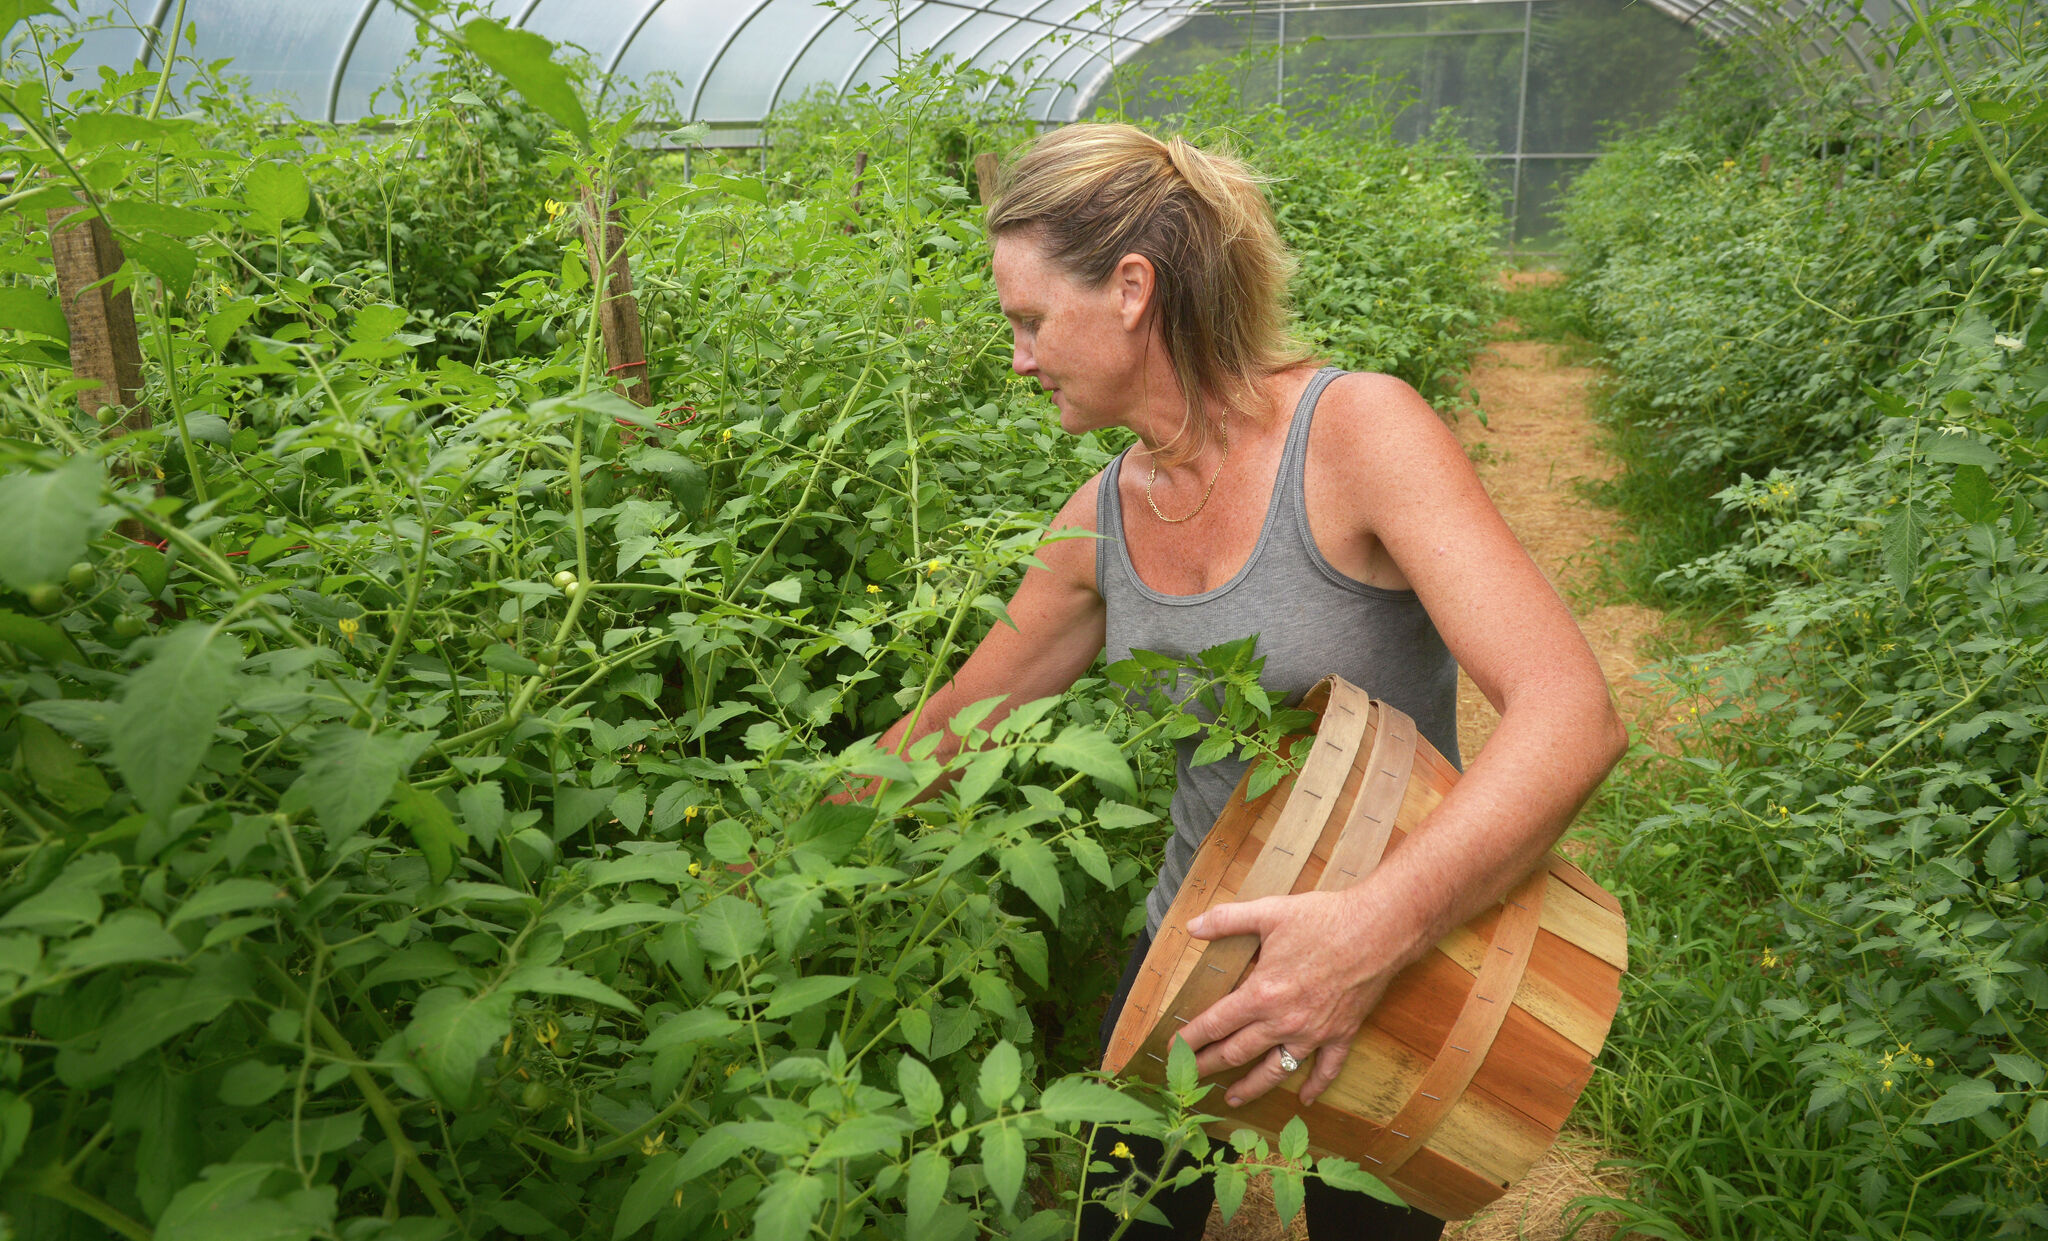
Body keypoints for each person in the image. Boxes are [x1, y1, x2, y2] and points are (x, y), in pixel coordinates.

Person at [856, 122, 1628, 1238]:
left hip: (1405, 951)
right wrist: (767, 845)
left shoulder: (1356, 434)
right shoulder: (1099, 521)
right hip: (1192, 948)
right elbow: (945, 730)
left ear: (1130, 288)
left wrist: (1370, 931)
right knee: (1115, 1218)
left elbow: (1572, 715)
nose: (1017, 357)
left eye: (1029, 320)